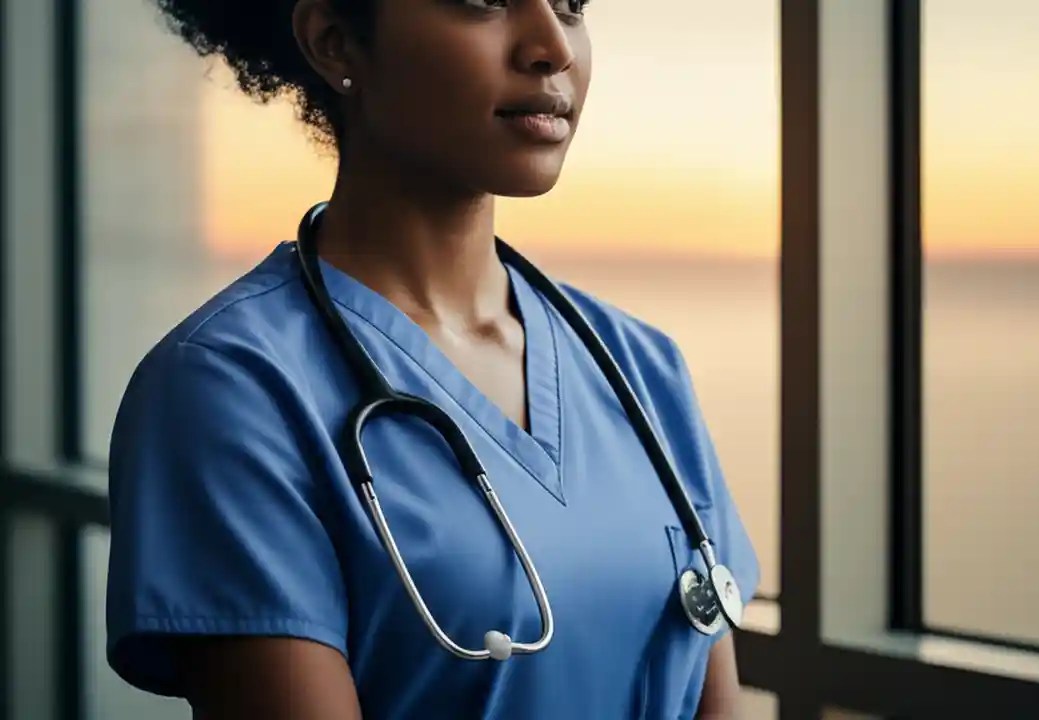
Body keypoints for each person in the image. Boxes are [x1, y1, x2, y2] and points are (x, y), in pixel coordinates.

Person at [104, 0, 760, 718]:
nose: (552, 48)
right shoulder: (229, 389)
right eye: (483, 2)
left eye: (572, 5)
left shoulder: (638, 367)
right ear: (335, 43)